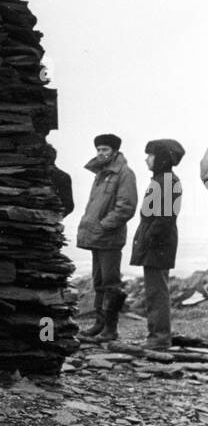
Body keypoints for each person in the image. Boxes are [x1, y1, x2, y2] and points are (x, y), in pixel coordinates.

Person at [76, 133, 138, 342]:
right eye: (98, 149)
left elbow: (126, 207)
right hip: (97, 237)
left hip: (109, 238)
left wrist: (103, 226)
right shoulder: (101, 173)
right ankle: (99, 324)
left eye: (105, 149)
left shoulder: (124, 173)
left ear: (115, 151)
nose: (100, 153)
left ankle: (111, 329)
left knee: (111, 283)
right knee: (99, 281)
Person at [130, 139, 185, 350]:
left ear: (161, 158)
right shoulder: (162, 180)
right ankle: (157, 336)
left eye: (150, 155)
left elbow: (164, 218)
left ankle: (160, 338)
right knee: (154, 290)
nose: (146, 159)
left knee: (157, 291)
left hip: (158, 244)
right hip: (156, 243)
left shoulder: (168, 181)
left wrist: (149, 240)